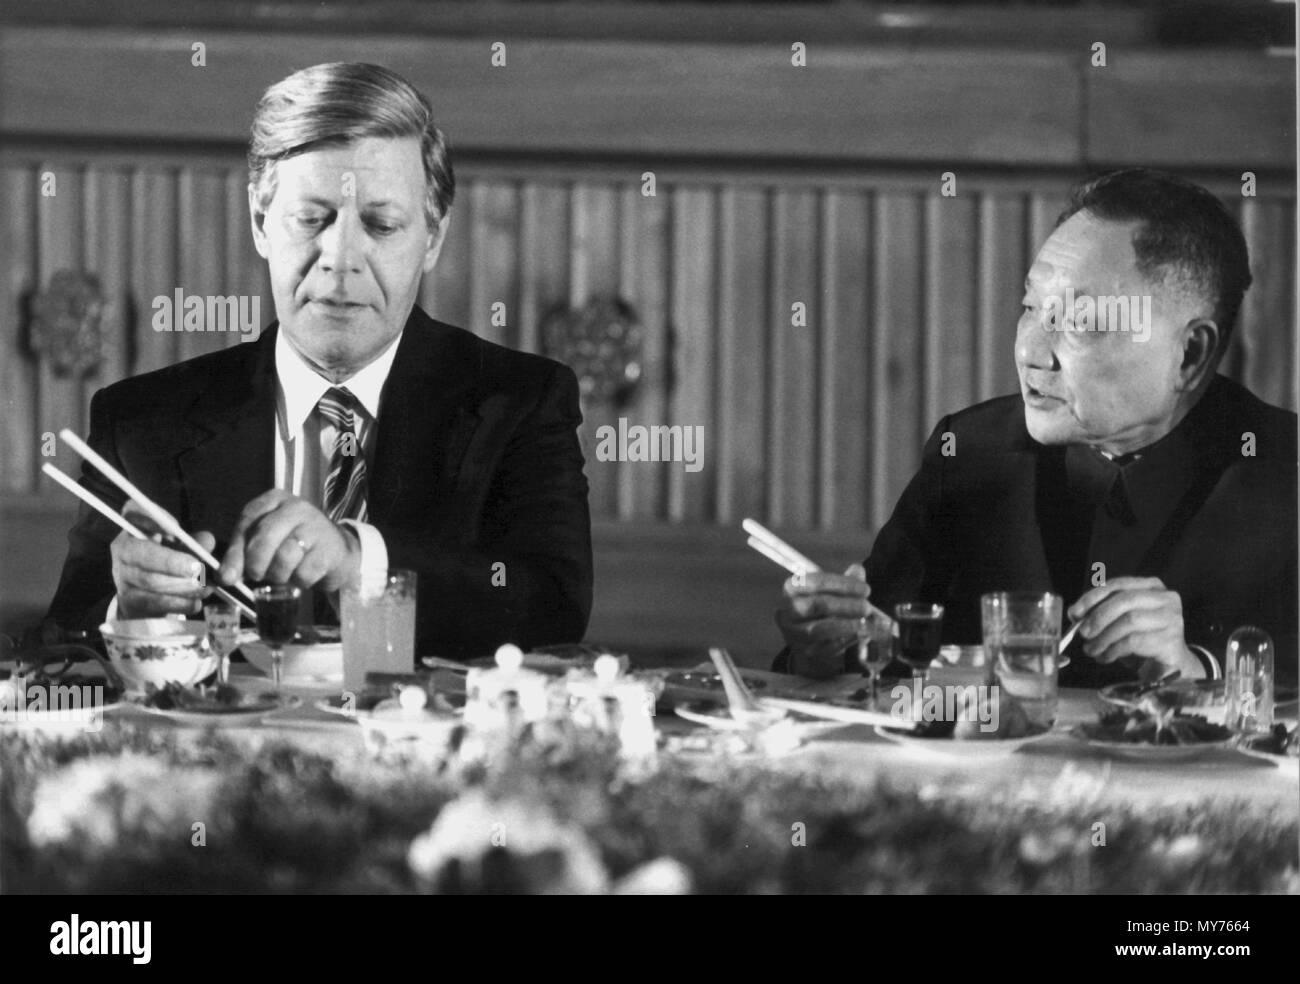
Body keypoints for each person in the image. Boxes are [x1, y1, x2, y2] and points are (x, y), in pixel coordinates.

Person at [44, 62, 593, 661]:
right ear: (260, 223)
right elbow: (61, 648)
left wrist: (358, 561)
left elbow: (553, 608)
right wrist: (130, 614)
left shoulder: (521, 399)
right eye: (312, 219)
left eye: (381, 225)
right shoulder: (139, 419)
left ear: (433, 238)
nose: (341, 258)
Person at [776, 168, 1297, 687]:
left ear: (1189, 353)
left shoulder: (1284, 472)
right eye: (1031, 307)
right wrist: (821, 652)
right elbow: (875, 652)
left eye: (1080, 323)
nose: (1029, 351)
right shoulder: (971, 454)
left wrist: (1194, 671)